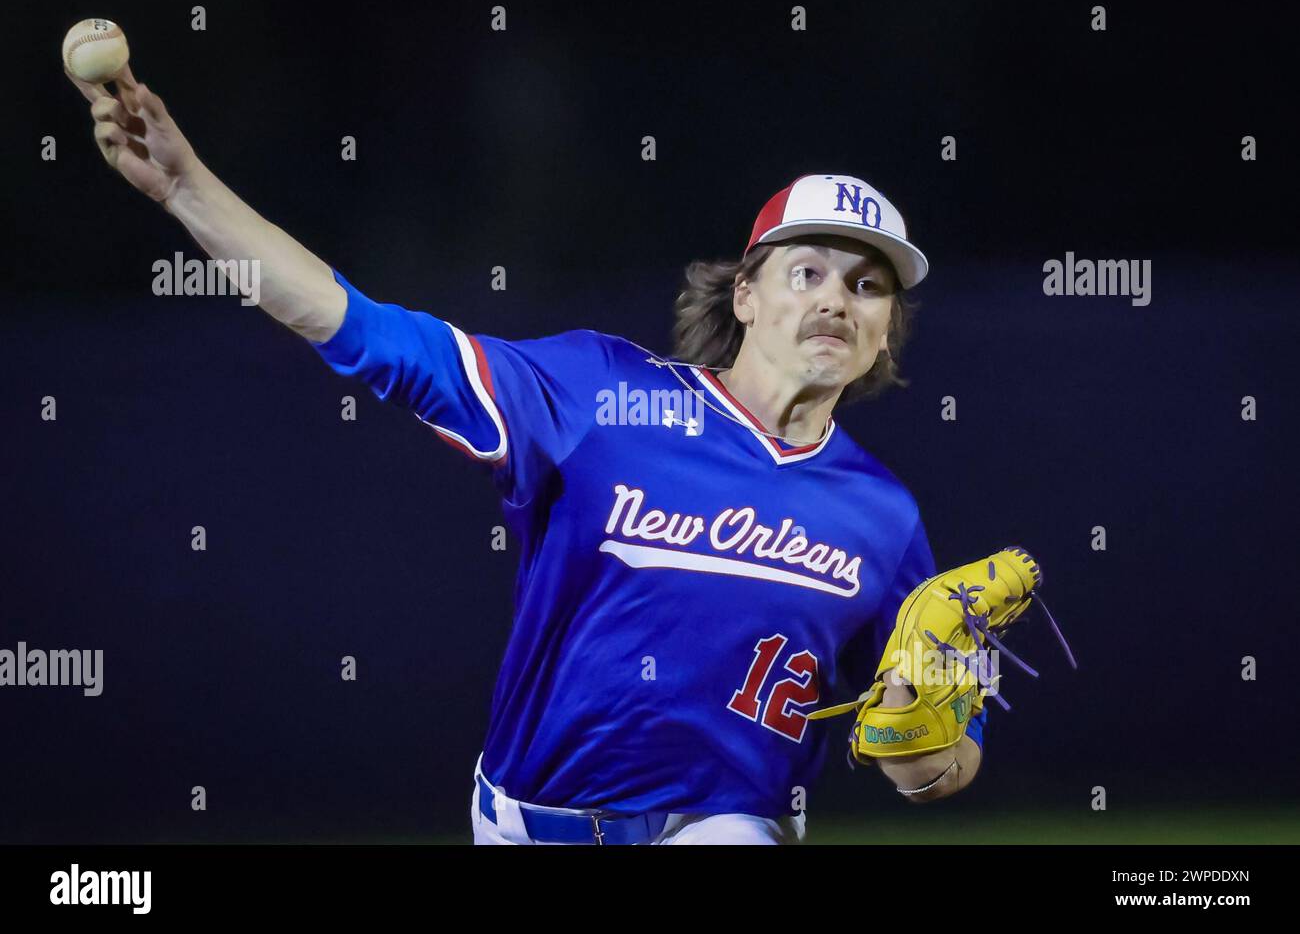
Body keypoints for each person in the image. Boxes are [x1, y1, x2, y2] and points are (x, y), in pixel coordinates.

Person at [69, 67, 986, 845]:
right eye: (809, 271)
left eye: (870, 286)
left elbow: (940, 768)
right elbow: (362, 330)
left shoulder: (883, 517)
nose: (839, 298)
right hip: (521, 822)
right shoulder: (601, 396)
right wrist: (188, 188)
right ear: (744, 296)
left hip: (727, 825)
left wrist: (925, 747)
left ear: (883, 334)